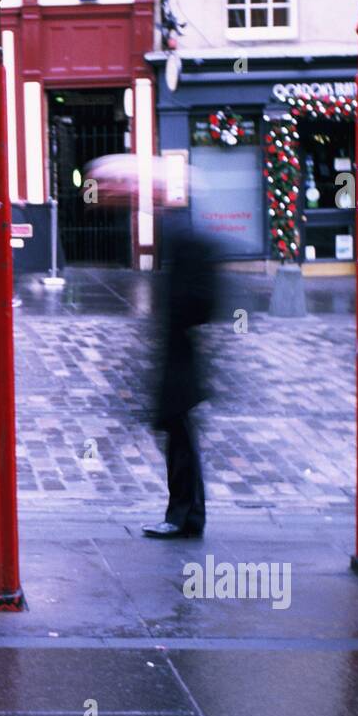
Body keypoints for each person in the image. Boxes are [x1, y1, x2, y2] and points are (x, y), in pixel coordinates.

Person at [143, 212, 218, 539]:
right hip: (178, 358)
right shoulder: (187, 243)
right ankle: (188, 513)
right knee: (180, 437)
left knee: (181, 438)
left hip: (181, 361)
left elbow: (197, 305)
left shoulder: (189, 247)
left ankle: (183, 515)